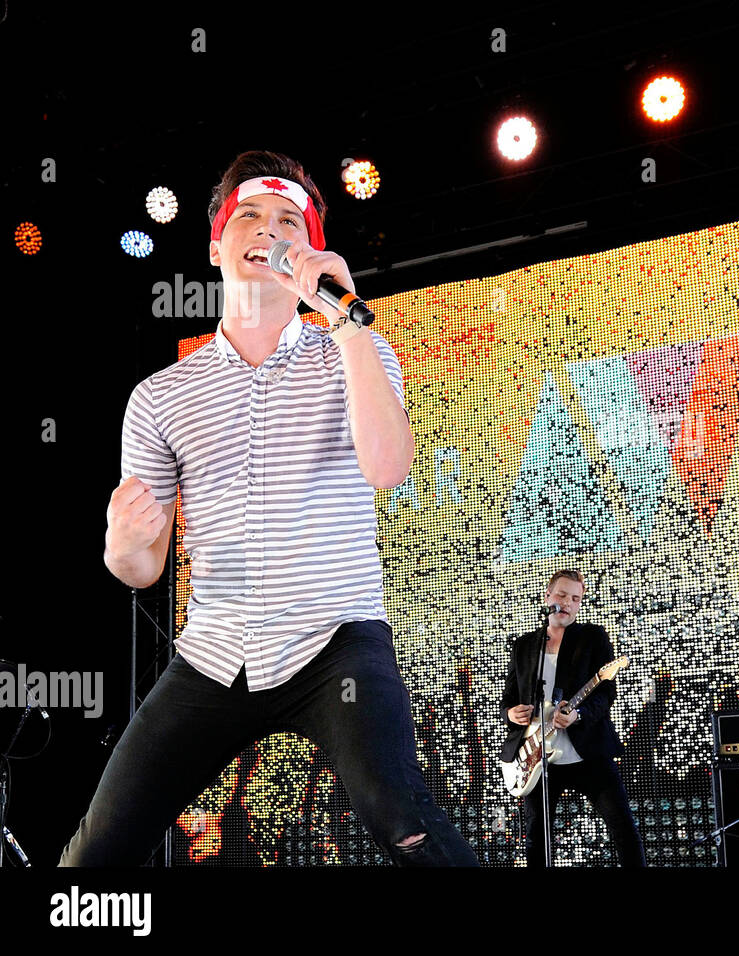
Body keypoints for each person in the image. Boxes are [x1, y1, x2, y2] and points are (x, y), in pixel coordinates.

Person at [60, 150, 477, 866]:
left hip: (335, 638)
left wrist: (348, 324)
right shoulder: (159, 398)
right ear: (216, 245)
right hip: (215, 652)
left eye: (291, 221)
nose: (268, 228)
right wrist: (121, 545)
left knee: (400, 815)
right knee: (96, 850)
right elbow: (139, 569)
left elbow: (387, 467)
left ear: (309, 252)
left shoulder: (356, 352)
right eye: (248, 215)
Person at [500, 570, 645, 866]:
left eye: (575, 598)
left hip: (587, 750)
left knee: (623, 828)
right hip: (537, 756)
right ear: (547, 598)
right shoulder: (525, 645)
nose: (568, 603)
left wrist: (578, 714)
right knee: (535, 837)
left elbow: (605, 695)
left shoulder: (592, 638)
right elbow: (508, 699)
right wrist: (511, 713)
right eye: (562, 595)